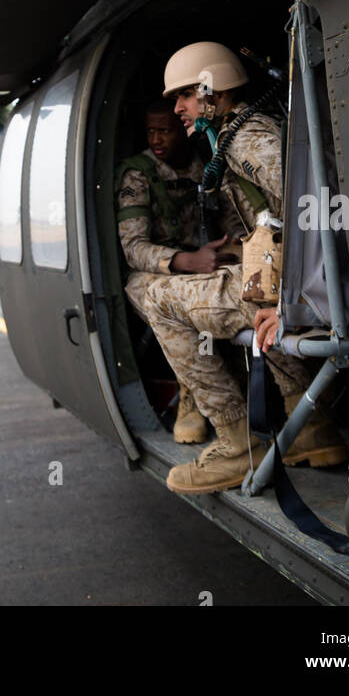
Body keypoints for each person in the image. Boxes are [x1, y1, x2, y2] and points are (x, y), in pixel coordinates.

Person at [144, 42, 346, 495]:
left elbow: (322, 210)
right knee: (251, 294)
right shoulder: (236, 135)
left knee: (157, 298)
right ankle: (311, 428)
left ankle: (235, 442)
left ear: (214, 89)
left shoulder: (248, 139)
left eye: (185, 95)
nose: (176, 108)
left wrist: (294, 300)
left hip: (310, 289)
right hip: (299, 284)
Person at [115, 100, 210, 444]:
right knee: (170, 303)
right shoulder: (139, 175)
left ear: (183, 129)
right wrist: (183, 262)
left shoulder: (207, 167)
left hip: (204, 263)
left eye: (165, 130)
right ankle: (191, 394)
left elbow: (232, 222)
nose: (156, 139)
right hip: (155, 271)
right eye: (150, 131)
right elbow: (134, 248)